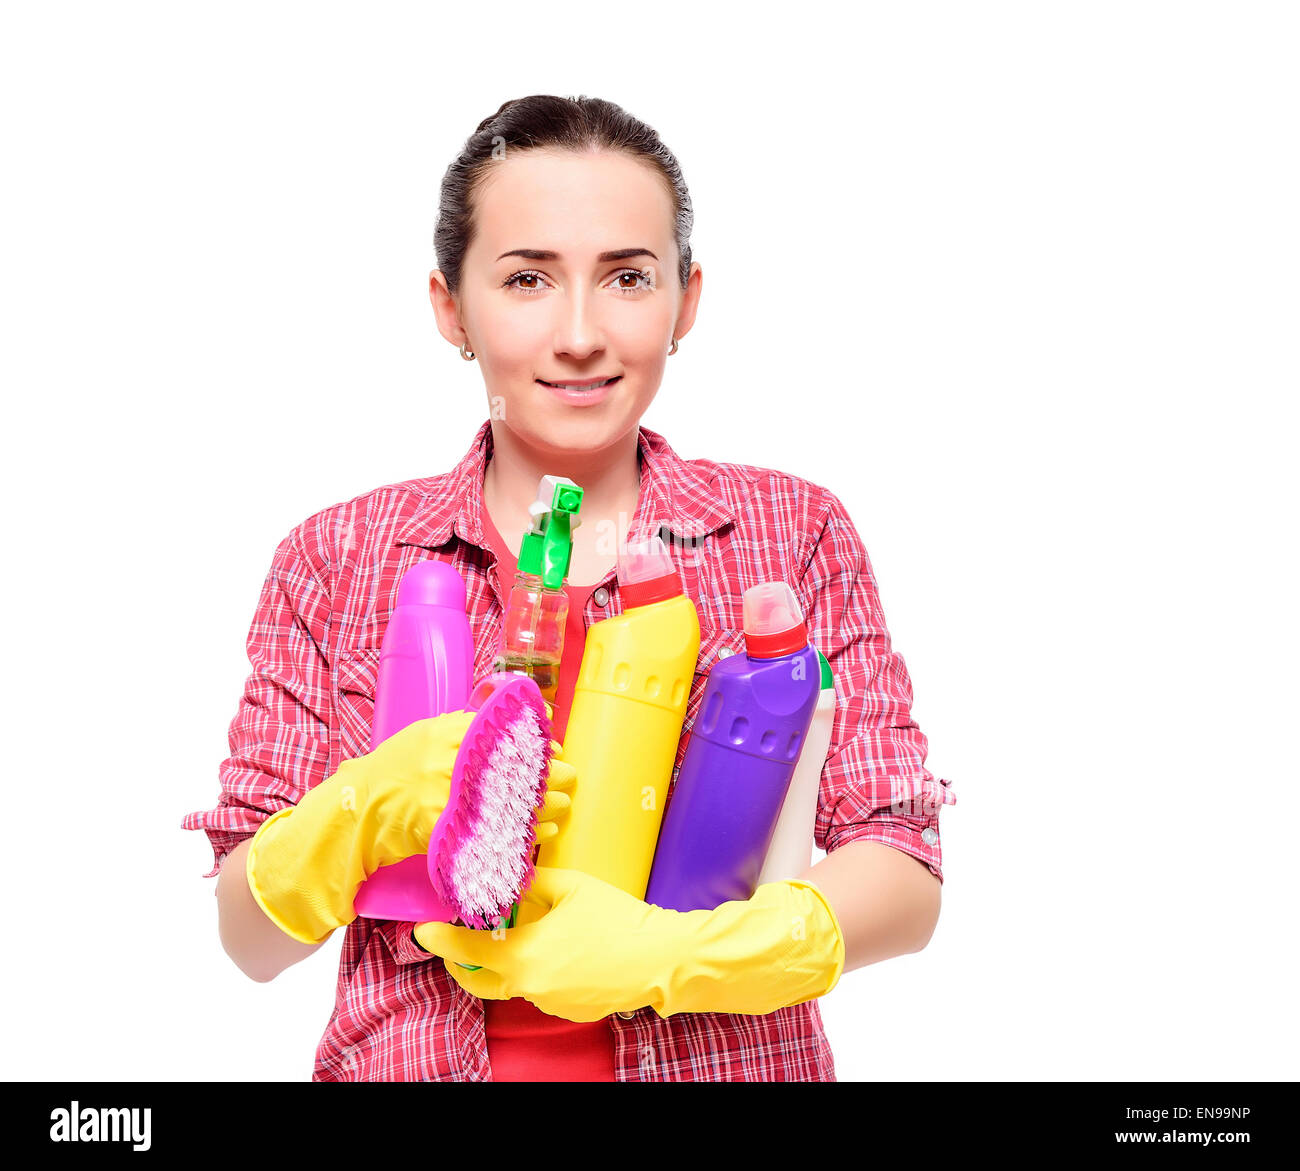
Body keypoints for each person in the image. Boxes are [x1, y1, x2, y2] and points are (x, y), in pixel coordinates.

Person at [181, 94, 956, 1082]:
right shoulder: (337, 557)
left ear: (687, 299)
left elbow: (904, 866)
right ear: (449, 307)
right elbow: (250, 940)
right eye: (526, 279)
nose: (581, 333)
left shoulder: (787, 531)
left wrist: (680, 956)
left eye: (628, 277)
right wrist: (357, 814)